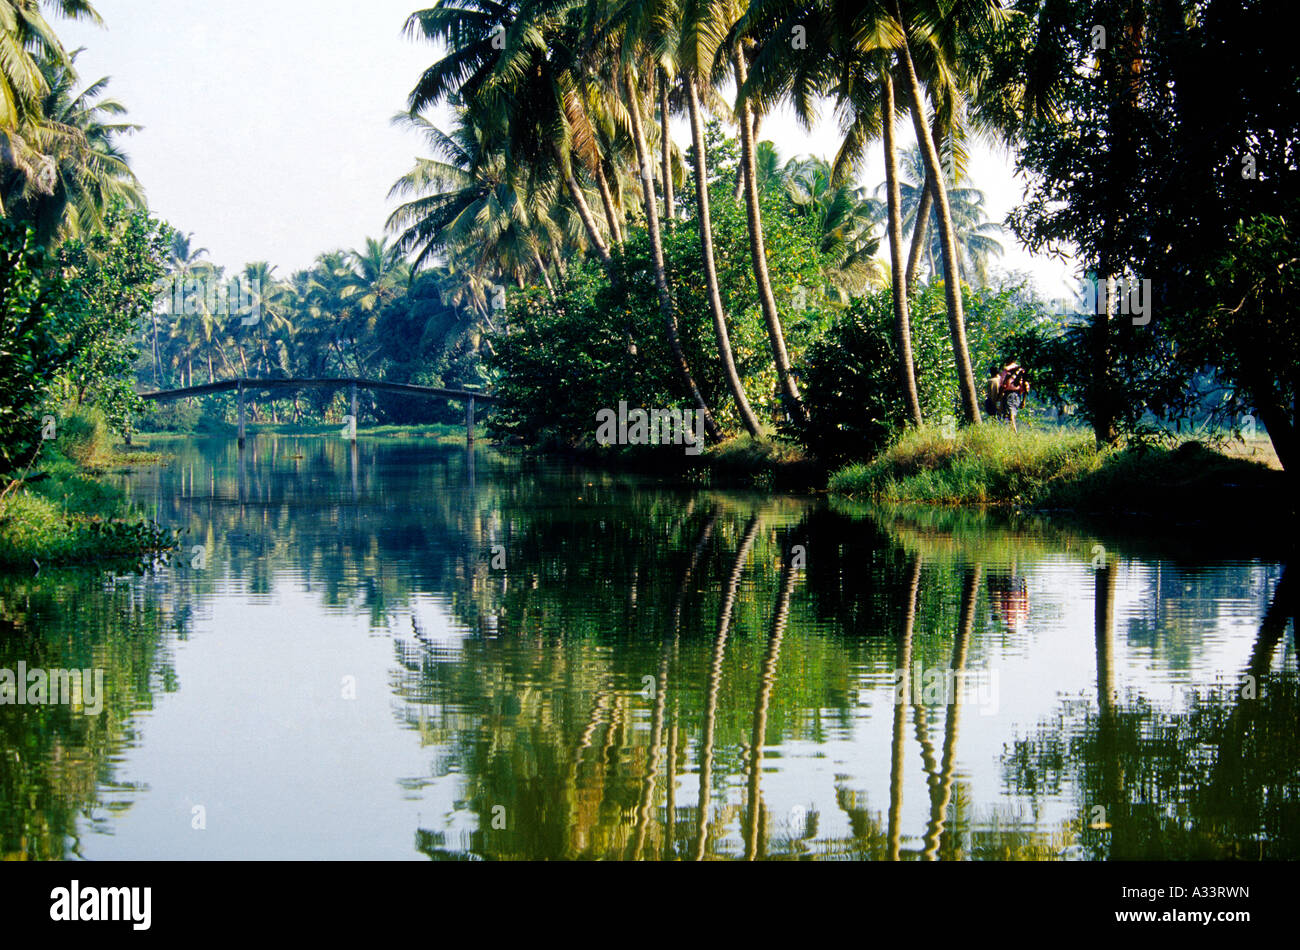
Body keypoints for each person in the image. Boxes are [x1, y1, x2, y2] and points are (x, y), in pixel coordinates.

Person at [1000, 362, 1030, 432]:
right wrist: (1023, 400)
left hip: (1010, 394)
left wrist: (1000, 395)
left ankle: (1014, 433)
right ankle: (1011, 431)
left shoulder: (1006, 370)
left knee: (1011, 415)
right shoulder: (1020, 371)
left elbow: (1003, 385)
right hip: (1016, 395)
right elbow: (1026, 386)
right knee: (1010, 415)